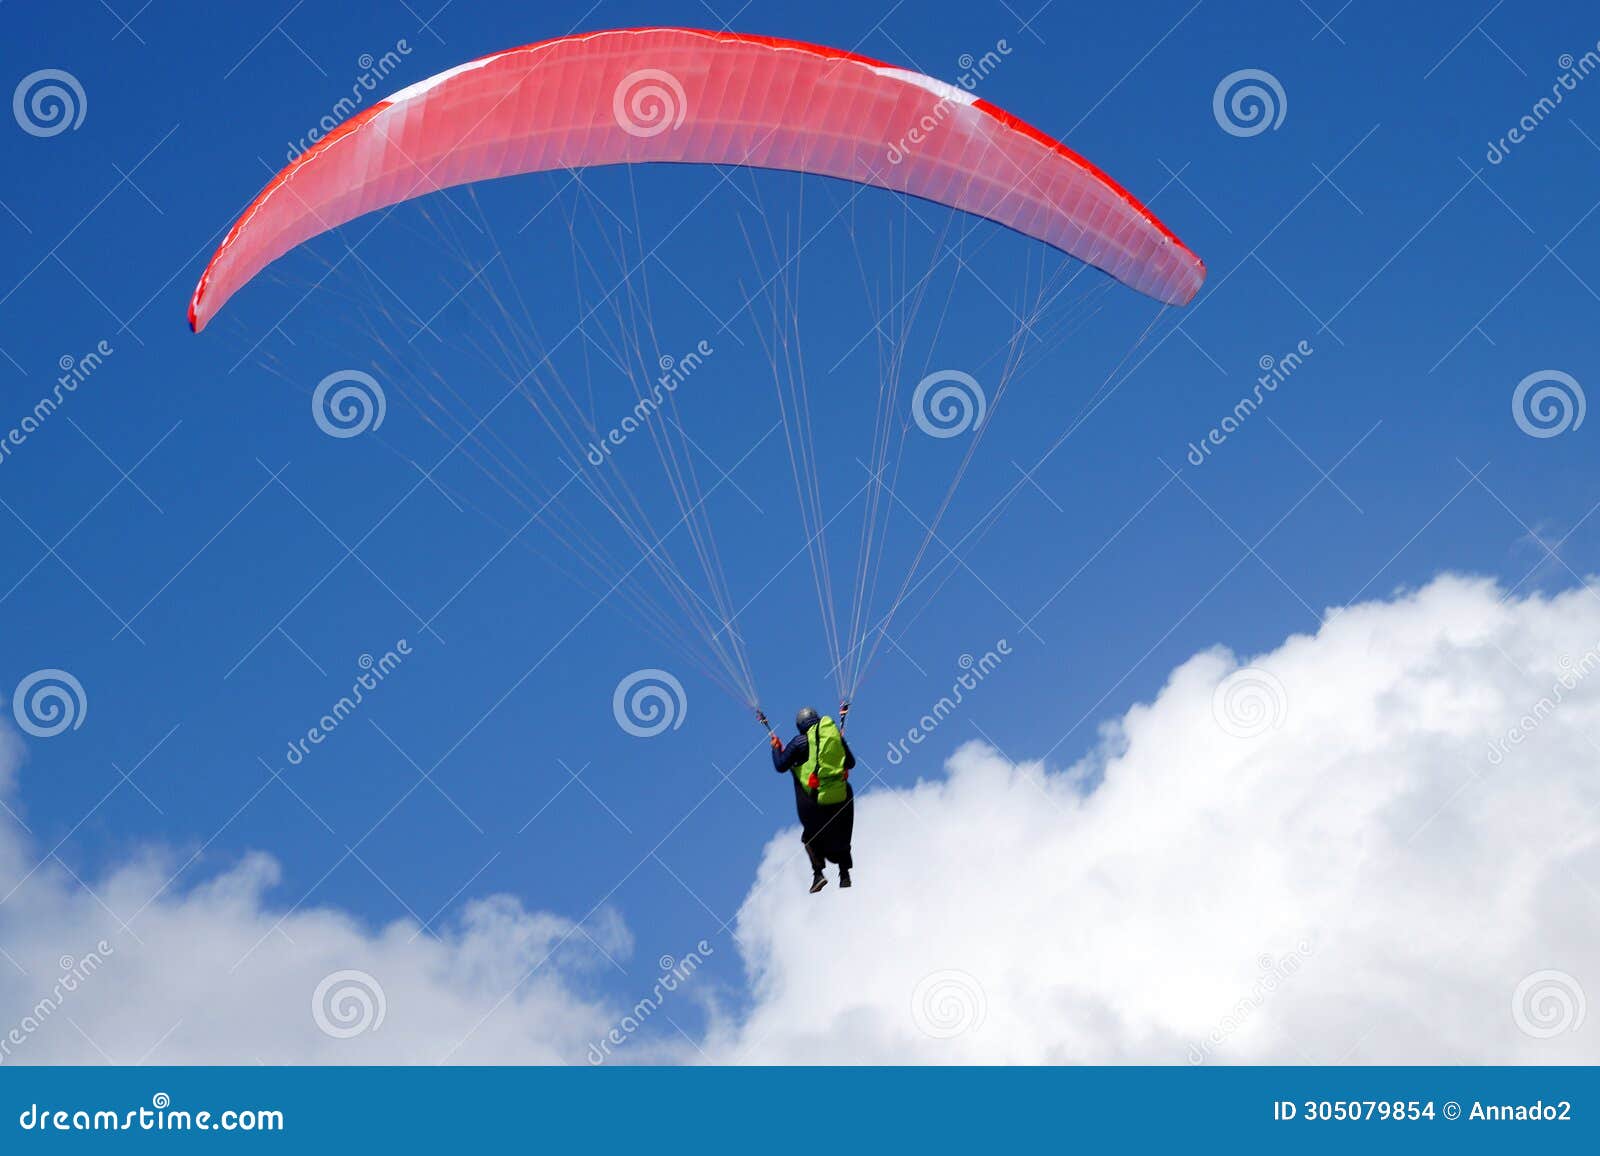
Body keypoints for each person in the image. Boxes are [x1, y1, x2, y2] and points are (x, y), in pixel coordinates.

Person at [770, 706, 855, 893]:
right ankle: (844, 873)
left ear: (800, 726)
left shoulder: (799, 742)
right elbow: (851, 763)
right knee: (843, 830)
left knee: (809, 836)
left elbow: (781, 765)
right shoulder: (834, 737)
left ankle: (818, 874)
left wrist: (776, 748)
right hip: (840, 798)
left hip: (813, 802)